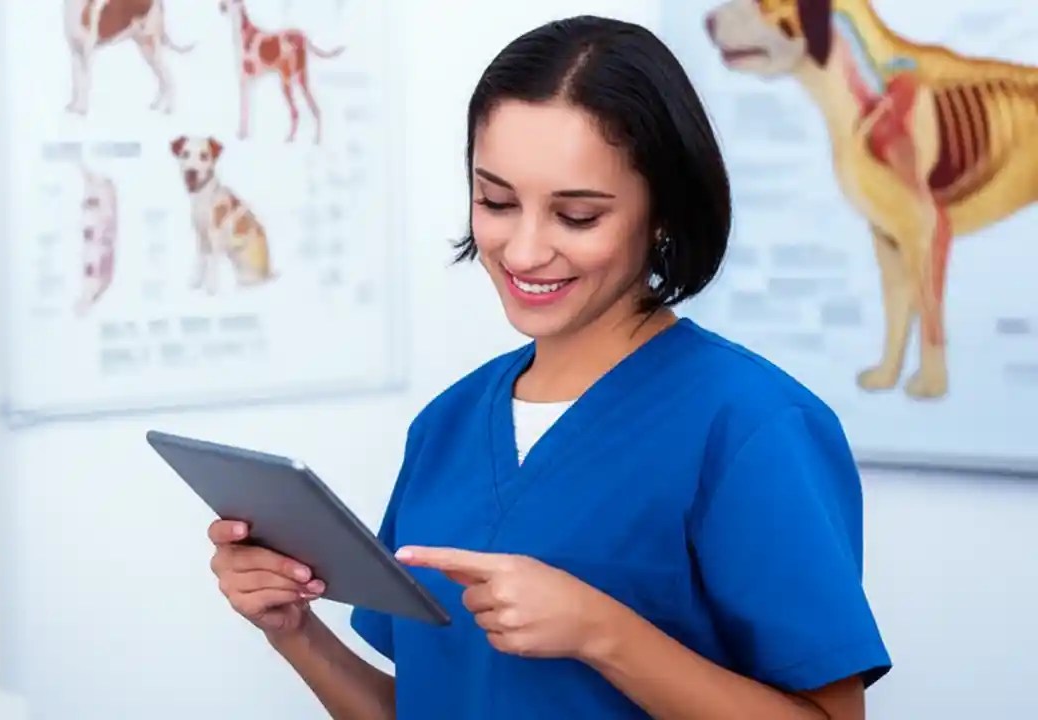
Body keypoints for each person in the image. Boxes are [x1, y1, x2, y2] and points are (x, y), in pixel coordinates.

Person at [206, 14, 891, 719]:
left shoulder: (753, 426)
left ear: (662, 212)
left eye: (578, 216)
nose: (525, 251)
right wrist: (293, 632)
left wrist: (601, 631)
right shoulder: (446, 427)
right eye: (496, 201)